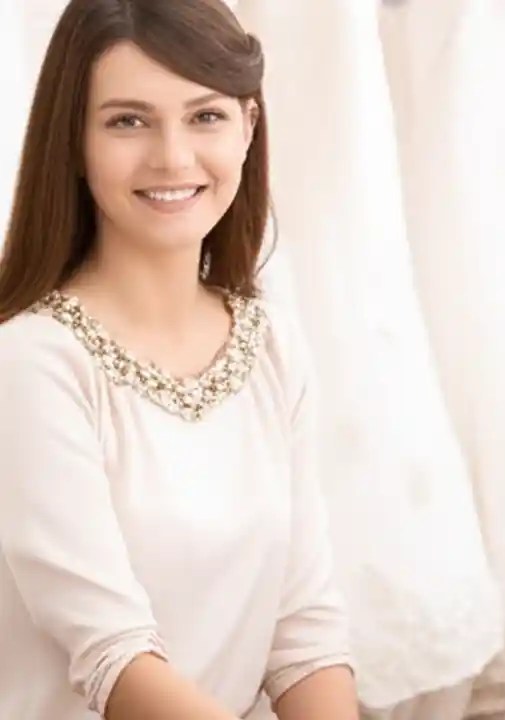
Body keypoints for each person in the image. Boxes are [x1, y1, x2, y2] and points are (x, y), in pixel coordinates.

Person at [0, 1, 359, 718]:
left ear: (249, 127)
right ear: (72, 139)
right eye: (128, 121)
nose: (172, 157)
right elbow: (112, 656)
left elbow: (305, 636)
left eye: (205, 117)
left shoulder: (271, 344)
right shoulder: (31, 362)